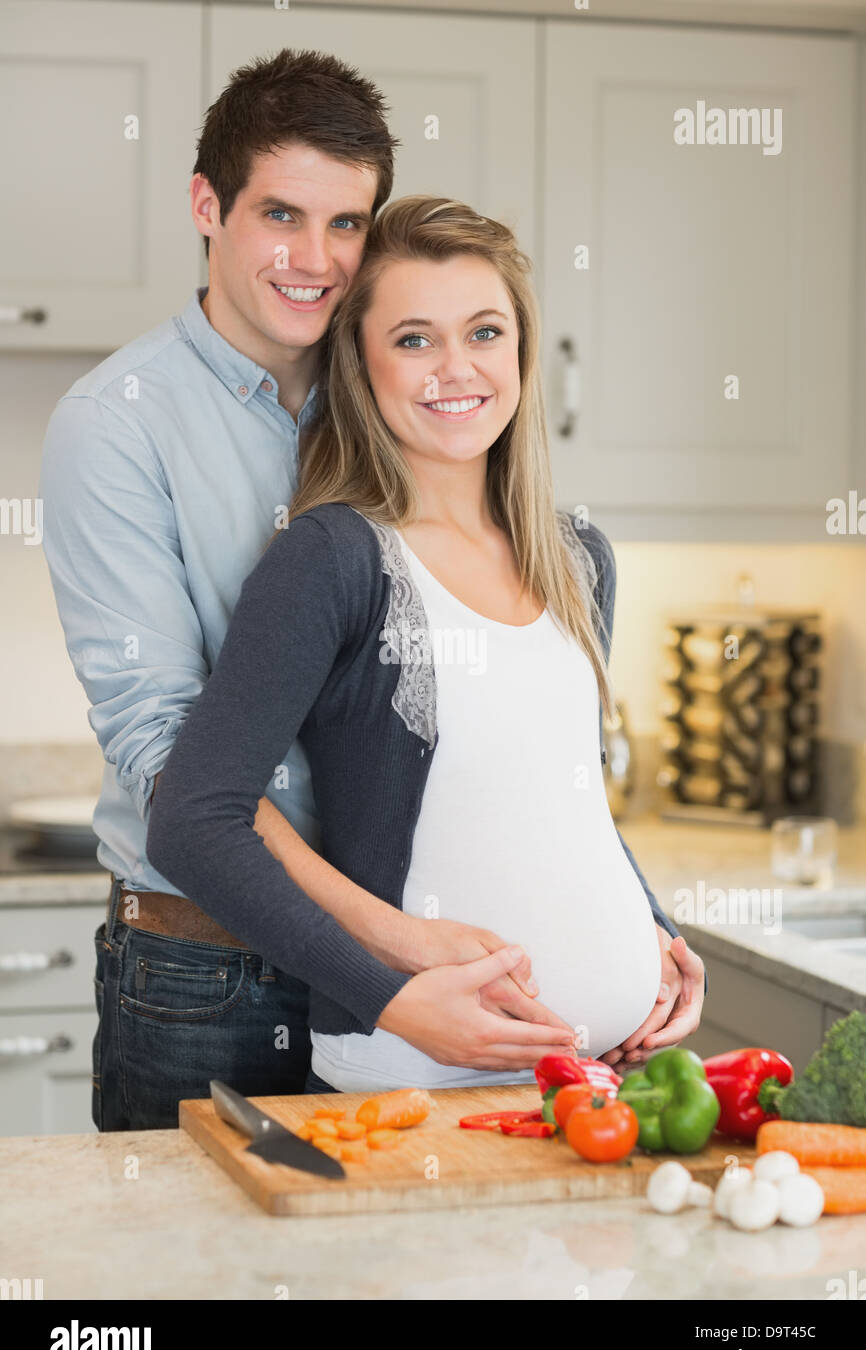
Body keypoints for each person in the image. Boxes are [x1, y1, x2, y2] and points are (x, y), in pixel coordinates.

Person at [40, 50, 601, 1131]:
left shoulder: (398, 396)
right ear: (208, 206)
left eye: (346, 224)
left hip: (400, 970)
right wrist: (384, 949)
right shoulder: (115, 427)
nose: (315, 259)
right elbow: (172, 765)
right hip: (211, 969)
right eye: (280, 216)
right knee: (203, 1274)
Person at [146, 195, 706, 1095]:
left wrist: (653, 929)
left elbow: (563, 801)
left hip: (591, 1079)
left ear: (522, 348)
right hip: (417, 1082)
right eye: (414, 340)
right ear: (362, 370)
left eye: (484, 331)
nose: (457, 368)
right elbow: (191, 820)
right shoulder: (332, 558)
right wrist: (388, 999)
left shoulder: (578, 558)